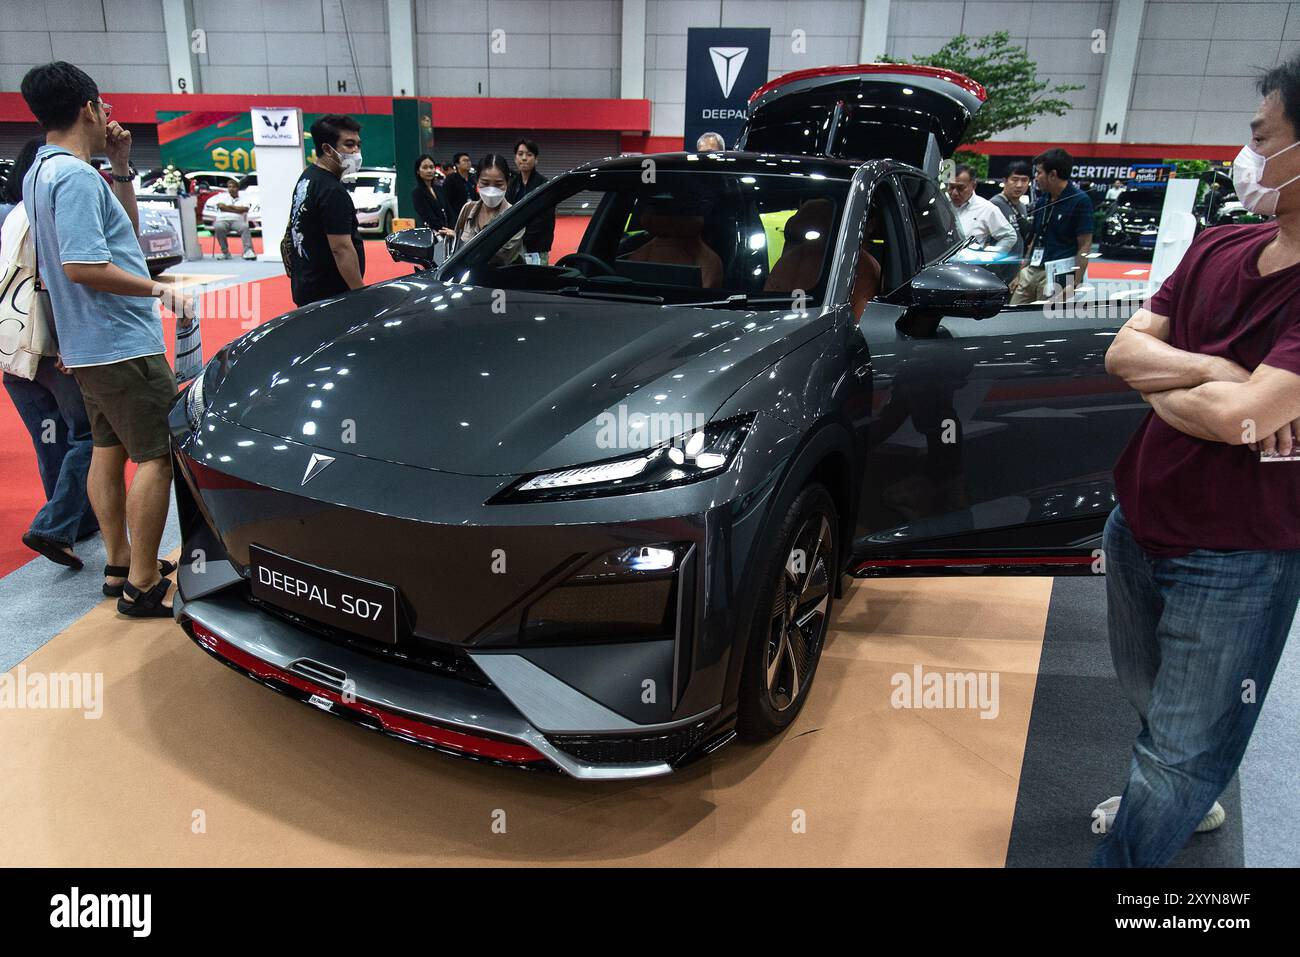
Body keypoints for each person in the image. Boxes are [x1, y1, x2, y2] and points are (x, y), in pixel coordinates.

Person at [1096, 53, 1300, 867]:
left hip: (1238, 557)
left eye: (1263, 138)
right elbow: (1120, 352)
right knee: (1153, 702)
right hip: (1138, 520)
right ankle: (1178, 794)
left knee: (1181, 748)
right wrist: (1220, 374)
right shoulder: (1222, 243)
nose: (1244, 157)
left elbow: (1250, 420)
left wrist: (1218, 393)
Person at [20, 61, 192, 616]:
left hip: (86, 344)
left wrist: (120, 167)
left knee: (106, 448)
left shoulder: (43, 170)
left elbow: (121, 235)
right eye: (106, 108)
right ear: (89, 109)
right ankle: (143, 582)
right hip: (122, 343)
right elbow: (84, 265)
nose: (110, 118)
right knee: (158, 456)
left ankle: (119, 564)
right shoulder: (71, 176)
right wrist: (158, 291)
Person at [1, 135, 99, 569]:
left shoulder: (11, 217)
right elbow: (55, 280)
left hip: (11, 346)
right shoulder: (47, 210)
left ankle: (74, 522)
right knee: (91, 436)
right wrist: (67, 339)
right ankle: (56, 525)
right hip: (46, 344)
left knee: (50, 437)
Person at [287, 114, 364, 307]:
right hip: (330, 295)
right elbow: (341, 248)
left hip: (307, 286)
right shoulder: (332, 190)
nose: (355, 151)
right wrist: (361, 293)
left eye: (358, 145)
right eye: (348, 144)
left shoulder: (308, 177)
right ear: (327, 149)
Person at [1009, 148, 1094, 304]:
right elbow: (1034, 239)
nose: (1036, 178)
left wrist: (1074, 282)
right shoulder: (1043, 200)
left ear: (1052, 174)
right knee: (1013, 311)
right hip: (1032, 269)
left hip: (1056, 274)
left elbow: (1085, 244)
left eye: (1039, 173)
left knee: (1040, 322)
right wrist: (1021, 271)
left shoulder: (1080, 201)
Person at [451, 153, 523, 266]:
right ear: (477, 182)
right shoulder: (467, 209)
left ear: (507, 183)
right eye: (485, 183)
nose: (491, 190)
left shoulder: (515, 216)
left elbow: (502, 258)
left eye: (498, 184)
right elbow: (455, 247)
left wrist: (466, 250)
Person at [505, 138, 554, 264]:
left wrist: (521, 238)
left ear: (536, 159)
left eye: (529, 154)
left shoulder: (544, 184)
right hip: (513, 245)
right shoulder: (512, 184)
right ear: (515, 158)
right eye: (520, 154)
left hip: (536, 245)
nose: (524, 158)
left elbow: (544, 219)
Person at [946, 164, 1016, 251]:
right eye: (951, 187)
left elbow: (1009, 236)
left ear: (973, 186)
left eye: (960, 188)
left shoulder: (987, 208)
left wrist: (991, 256)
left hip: (968, 263)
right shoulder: (940, 203)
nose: (954, 193)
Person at [990, 160, 1033, 254]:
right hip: (997, 264)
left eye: (1024, 180)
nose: (1019, 185)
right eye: (1015, 179)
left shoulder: (1022, 206)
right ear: (1005, 180)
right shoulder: (994, 204)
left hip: (1015, 265)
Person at [210, 176, 255, 260]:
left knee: (245, 227)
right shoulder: (222, 196)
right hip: (223, 220)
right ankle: (225, 253)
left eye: (233, 187)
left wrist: (228, 207)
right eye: (229, 187)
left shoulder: (244, 197)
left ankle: (248, 251)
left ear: (237, 188)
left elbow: (244, 209)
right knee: (218, 227)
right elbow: (221, 207)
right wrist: (235, 208)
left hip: (237, 220)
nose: (231, 189)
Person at [411, 153, 453, 237]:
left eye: (431, 167)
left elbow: (449, 211)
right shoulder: (417, 192)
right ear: (418, 171)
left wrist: (452, 228)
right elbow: (429, 217)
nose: (429, 171)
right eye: (425, 167)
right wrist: (445, 229)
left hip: (447, 233)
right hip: (430, 235)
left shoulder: (439, 189)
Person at [442, 152, 477, 225]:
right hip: (457, 216)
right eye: (465, 161)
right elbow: (447, 201)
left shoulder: (473, 178)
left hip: (473, 215)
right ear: (457, 164)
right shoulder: (450, 180)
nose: (468, 163)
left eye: (469, 160)